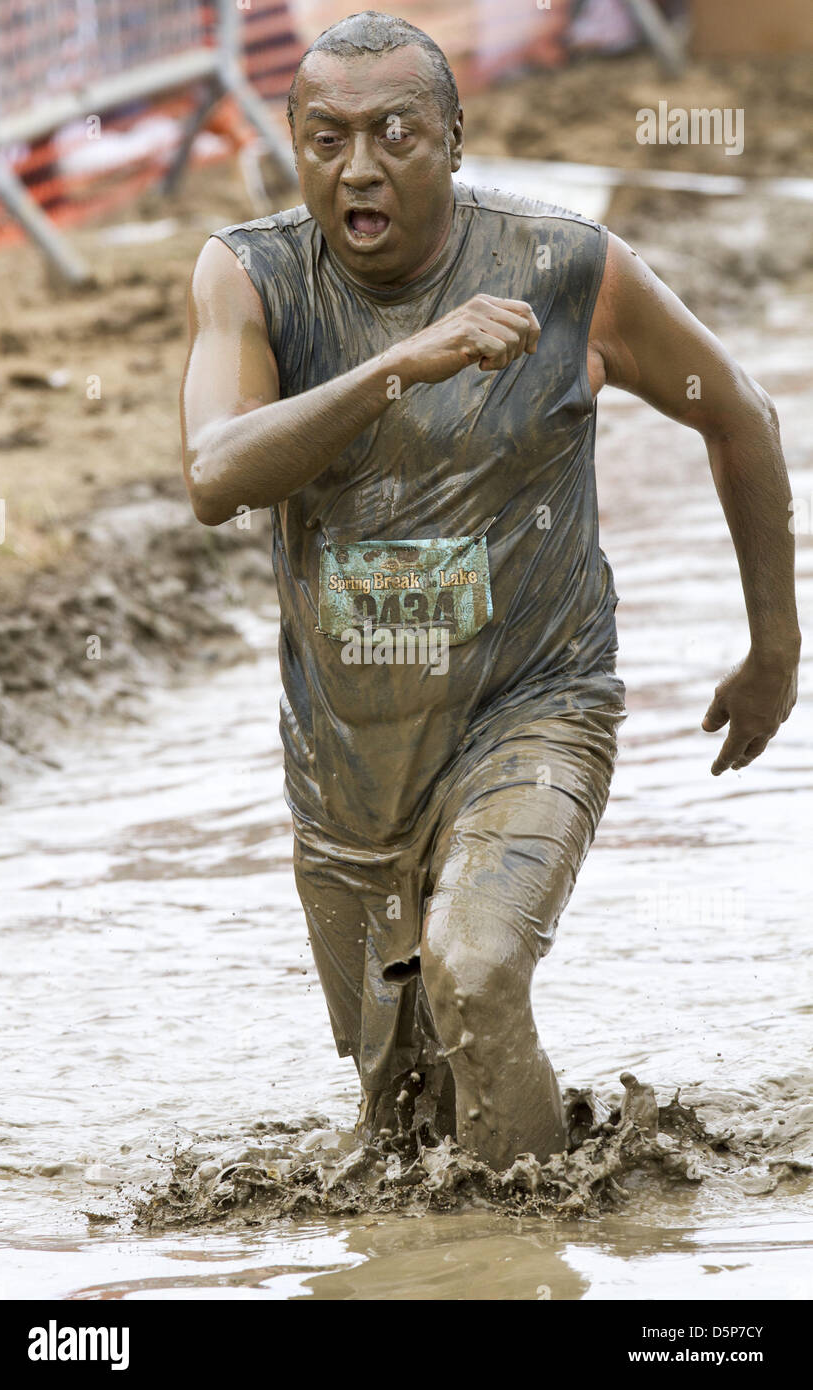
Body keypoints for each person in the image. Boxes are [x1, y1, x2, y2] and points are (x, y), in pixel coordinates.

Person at [179, 12, 800, 1170]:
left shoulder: (565, 268)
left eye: (394, 135)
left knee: (474, 969)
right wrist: (393, 368)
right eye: (325, 139)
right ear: (295, 147)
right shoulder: (251, 275)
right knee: (403, 1117)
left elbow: (742, 414)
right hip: (347, 761)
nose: (356, 167)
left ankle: (526, 1259)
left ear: (455, 142)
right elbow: (214, 474)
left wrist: (775, 650)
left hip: (534, 704)